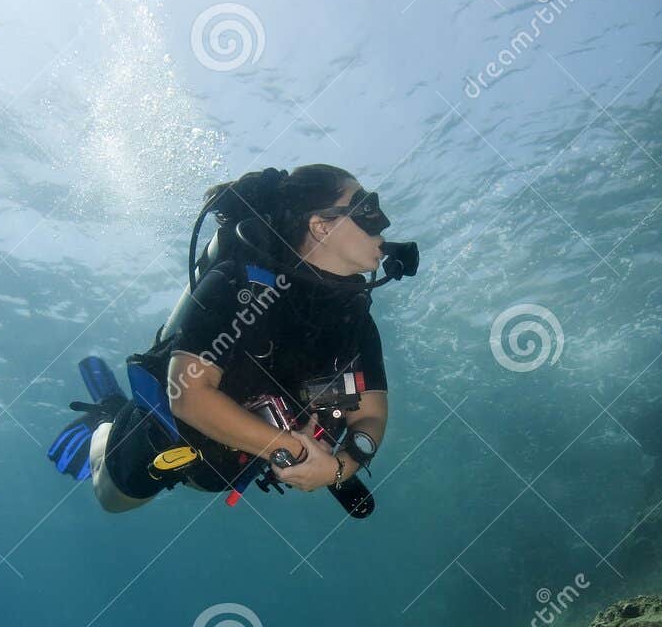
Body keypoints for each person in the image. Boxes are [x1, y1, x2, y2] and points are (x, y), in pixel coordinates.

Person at [47, 164, 417, 518]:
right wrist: (298, 452)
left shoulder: (355, 319)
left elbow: (370, 414)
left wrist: (338, 468)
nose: (383, 224)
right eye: (366, 209)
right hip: (167, 436)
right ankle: (108, 414)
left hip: (235, 466)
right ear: (321, 226)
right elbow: (188, 395)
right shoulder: (242, 283)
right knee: (111, 499)